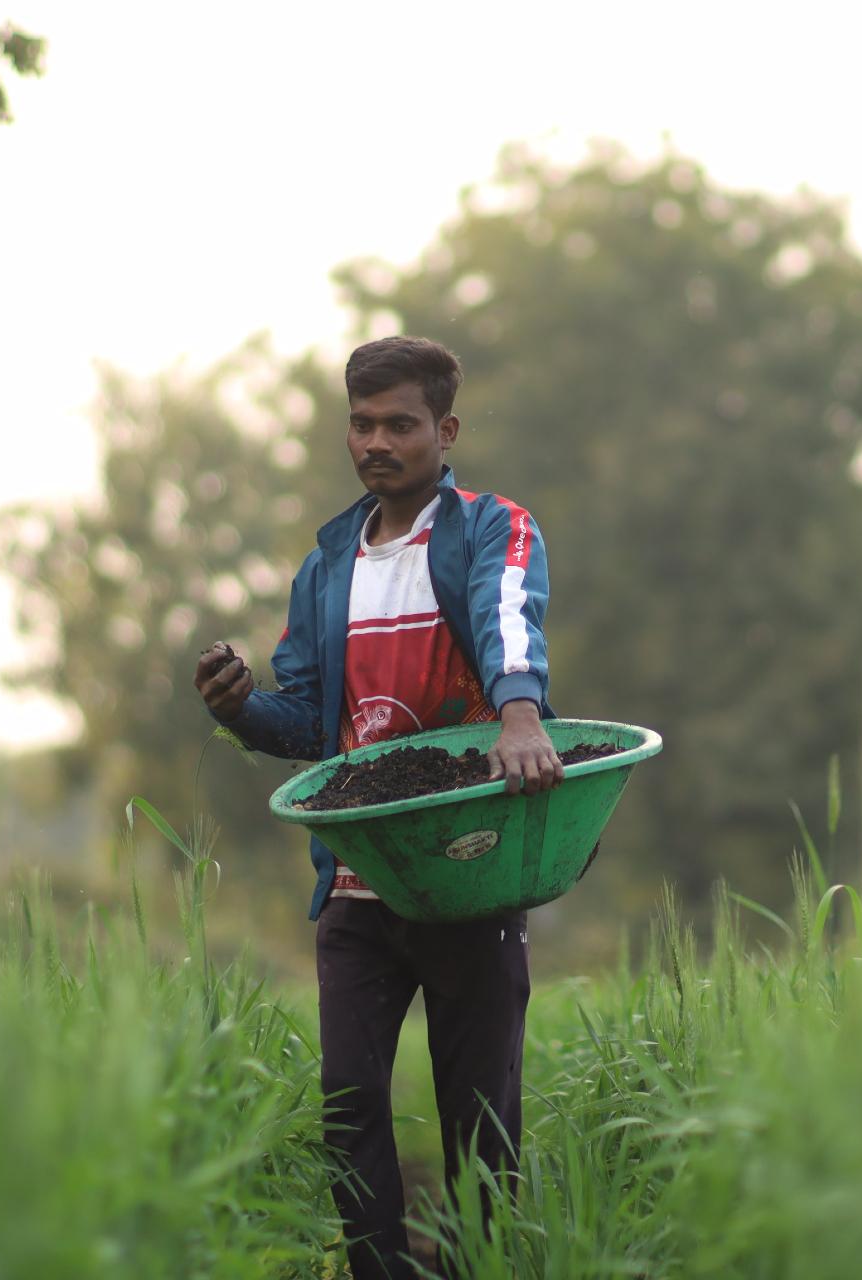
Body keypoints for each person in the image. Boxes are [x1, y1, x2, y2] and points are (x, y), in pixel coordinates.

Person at [193, 336, 562, 1279]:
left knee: (480, 1120)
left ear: (446, 430)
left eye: (400, 425)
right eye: (361, 425)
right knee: (349, 1105)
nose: (376, 444)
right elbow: (310, 720)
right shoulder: (327, 565)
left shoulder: (490, 529)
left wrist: (520, 713)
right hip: (361, 885)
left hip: (470, 869)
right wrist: (241, 709)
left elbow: (509, 617)